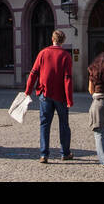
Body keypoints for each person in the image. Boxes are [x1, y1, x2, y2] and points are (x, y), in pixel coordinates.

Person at [24, 30, 73, 163]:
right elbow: (67, 78)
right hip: (61, 96)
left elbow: (33, 73)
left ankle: (44, 154)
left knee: (44, 124)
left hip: (45, 94)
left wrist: (28, 91)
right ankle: (65, 153)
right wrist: (69, 99)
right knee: (64, 124)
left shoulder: (43, 53)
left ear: (52, 39)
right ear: (63, 41)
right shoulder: (66, 56)